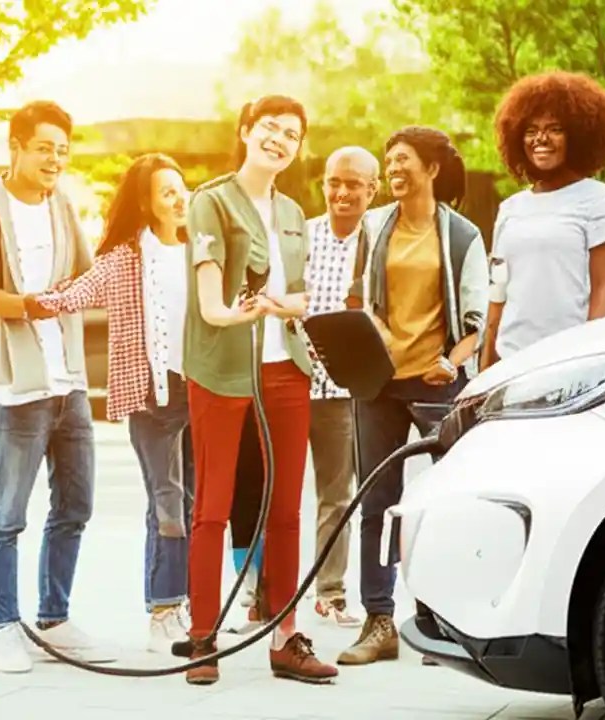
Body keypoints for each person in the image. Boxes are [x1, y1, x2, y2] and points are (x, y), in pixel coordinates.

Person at [181, 94, 336, 686]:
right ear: (246, 131)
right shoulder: (211, 202)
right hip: (223, 368)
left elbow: (299, 298)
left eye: (291, 133)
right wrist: (248, 310)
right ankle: (203, 636)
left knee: (287, 510)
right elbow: (211, 306)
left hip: (284, 367)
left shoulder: (295, 212)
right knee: (212, 506)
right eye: (269, 127)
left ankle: (284, 637)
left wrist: (273, 305)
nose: (279, 139)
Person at [0, 100, 115, 673]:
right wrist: (39, 303)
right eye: (44, 147)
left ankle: (55, 618)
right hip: (17, 389)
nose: (55, 159)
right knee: (7, 515)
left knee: (76, 504)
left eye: (62, 150)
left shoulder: (62, 206)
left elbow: (84, 271)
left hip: (68, 382)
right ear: (17, 147)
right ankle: (6, 626)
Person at [29, 153, 196, 655]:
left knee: (191, 503)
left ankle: (177, 600)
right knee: (168, 505)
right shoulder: (126, 257)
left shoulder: (199, 251)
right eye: (167, 192)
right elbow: (75, 292)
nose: (180, 197)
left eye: (182, 187)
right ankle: (164, 612)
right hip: (153, 395)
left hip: (200, 391)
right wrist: (25, 303)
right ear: (145, 204)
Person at [338, 126, 489, 666]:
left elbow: (476, 319)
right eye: (389, 161)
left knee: (440, 506)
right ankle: (378, 621)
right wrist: (367, 329)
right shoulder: (375, 225)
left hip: (437, 385)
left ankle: (437, 622)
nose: (394, 169)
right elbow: (360, 295)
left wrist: (452, 360)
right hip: (378, 383)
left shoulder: (463, 236)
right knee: (375, 502)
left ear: (431, 168)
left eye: (403, 160)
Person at [478, 70, 605, 371]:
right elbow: (499, 291)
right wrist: (486, 366)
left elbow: (603, 290)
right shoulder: (510, 208)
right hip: (511, 361)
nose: (540, 139)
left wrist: (586, 358)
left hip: (567, 361)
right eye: (531, 130)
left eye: (554, 128)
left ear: (579, 134)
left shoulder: (599, 198)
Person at [302, 146, 381, 628]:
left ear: (373, 190)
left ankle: (329, 593)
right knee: (275, 493)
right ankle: (261, 594)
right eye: (335, 182)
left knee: (337, 494)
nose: (342, 192)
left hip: (344, 390)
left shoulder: (380, 241)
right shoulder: (301, 235)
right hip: (292, 381)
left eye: (354, 184)